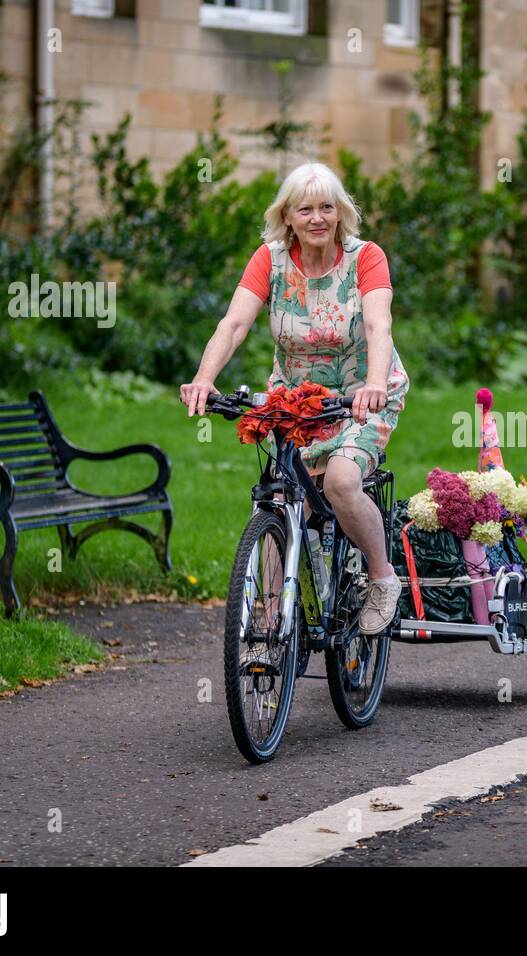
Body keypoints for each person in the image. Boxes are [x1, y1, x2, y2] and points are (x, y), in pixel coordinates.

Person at [179, 162, 409, 635]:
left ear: (341, 211)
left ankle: (383, 577)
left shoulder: (366, 257)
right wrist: (204, 377)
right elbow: (235, 324)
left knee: (341, 483)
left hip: (361, 394)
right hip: (296, 399)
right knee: (281, 498)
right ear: (288, 216)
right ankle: (267, 619)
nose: (317, 218)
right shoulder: (271, 259)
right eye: (305, 209)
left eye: (327, 207)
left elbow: (377, 325)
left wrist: (374, 382)